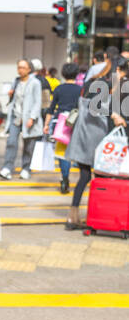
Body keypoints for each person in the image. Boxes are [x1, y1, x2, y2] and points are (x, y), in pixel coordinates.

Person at [64, 55, 113, 229]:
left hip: (81, 137)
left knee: (84, 177)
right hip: (97, 138)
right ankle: (95, 217)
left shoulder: (87, 85)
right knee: (99, 179)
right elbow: (99, 110)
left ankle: (72, 217)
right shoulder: (106, 86)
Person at [0, 58, 42, 180]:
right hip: (15, 117)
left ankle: (26, 168)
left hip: (29, 119)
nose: (20, 70)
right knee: (11, 142)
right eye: (19, 67)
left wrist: (32, 118)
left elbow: (37, 102)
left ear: (29, 69)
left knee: (28, 146)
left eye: (23, 67)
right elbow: (14, 100)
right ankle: (7, 168)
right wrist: (11, 95)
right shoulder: (15, 81)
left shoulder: (35, 83)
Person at [43, 61, 82, 194]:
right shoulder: (80, 89)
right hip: (75, 121)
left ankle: (64, 178)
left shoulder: (59, 88)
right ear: (76, 74)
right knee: (72, 152)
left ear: (63, 74)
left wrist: (46, 125)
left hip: (60, 123)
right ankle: (70, 177)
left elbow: (51, 108)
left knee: (61, 153)